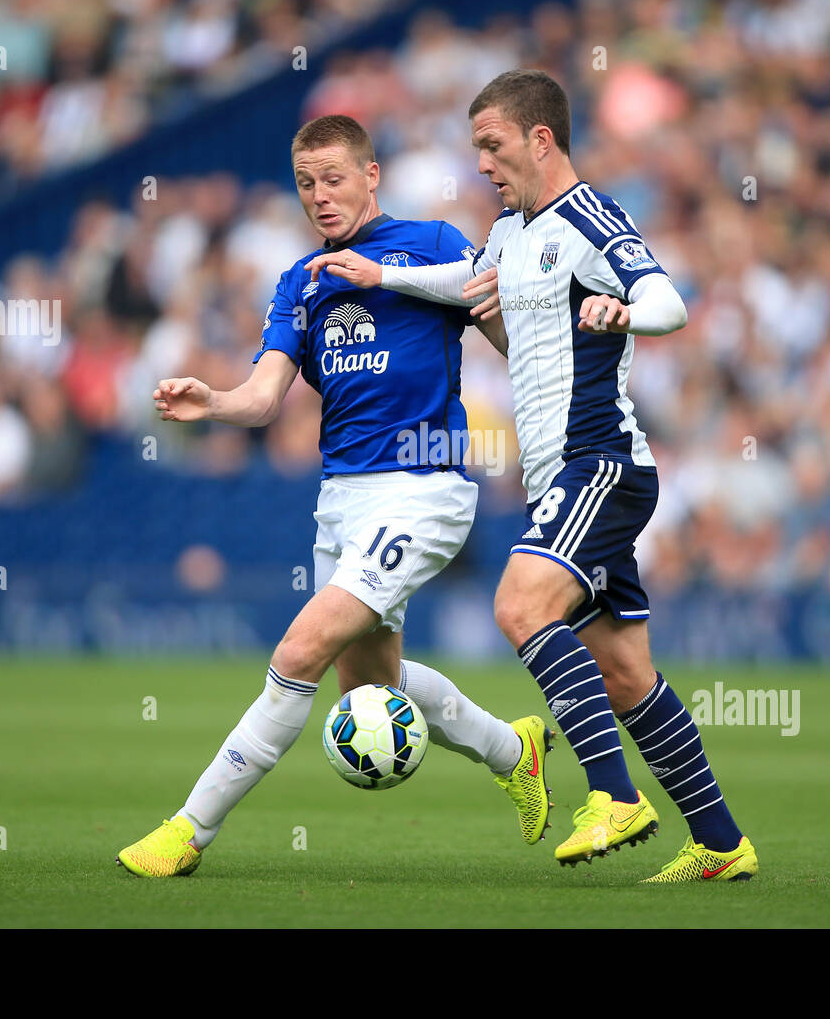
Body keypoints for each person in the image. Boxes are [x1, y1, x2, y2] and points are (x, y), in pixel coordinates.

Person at [310, 71, 758, 882]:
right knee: (625, 673)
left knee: (518, 603)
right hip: (562, 479)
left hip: (604, 464)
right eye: (476, 146)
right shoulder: (515, 230)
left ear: (540, 139)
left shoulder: (590, 218)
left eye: (493, 144)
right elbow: (471, 282)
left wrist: (626, 311)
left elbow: (668, 300)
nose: (481, 161)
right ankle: (723, 844)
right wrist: (385, 277)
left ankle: (613, 795)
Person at [117, 115, 551, 877]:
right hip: (343, 499)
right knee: (372, 683)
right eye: (306, 184)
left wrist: (501, 310)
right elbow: (263, 397)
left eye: (334, 179)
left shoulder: (435, 245)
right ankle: (515, 751)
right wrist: (211, 401)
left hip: (424, 488)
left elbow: (512, 342)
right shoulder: (301, 281)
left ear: (371, 174)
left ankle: (188, 830)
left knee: (298, 651)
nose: (320, 196)